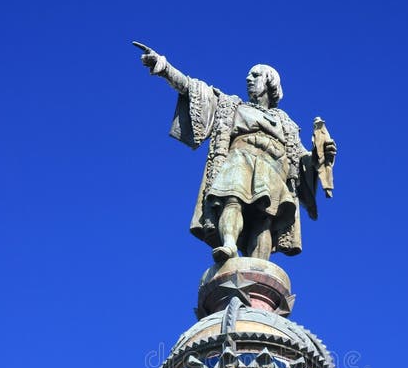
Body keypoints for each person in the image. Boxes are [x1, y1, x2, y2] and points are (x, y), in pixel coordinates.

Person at [136, 45, 337, 263]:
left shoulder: (286, 124)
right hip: (241, 156)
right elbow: (193, 88)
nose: (248, 78)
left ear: (270, 82)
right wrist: (165, 68)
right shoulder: (233, 106)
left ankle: (259, 266)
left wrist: (320, 155)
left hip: (275, 168)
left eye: (255, 75)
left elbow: (301, 160)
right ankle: (229, 244)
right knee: (232, 197)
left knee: (265, 218)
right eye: (249, 75)